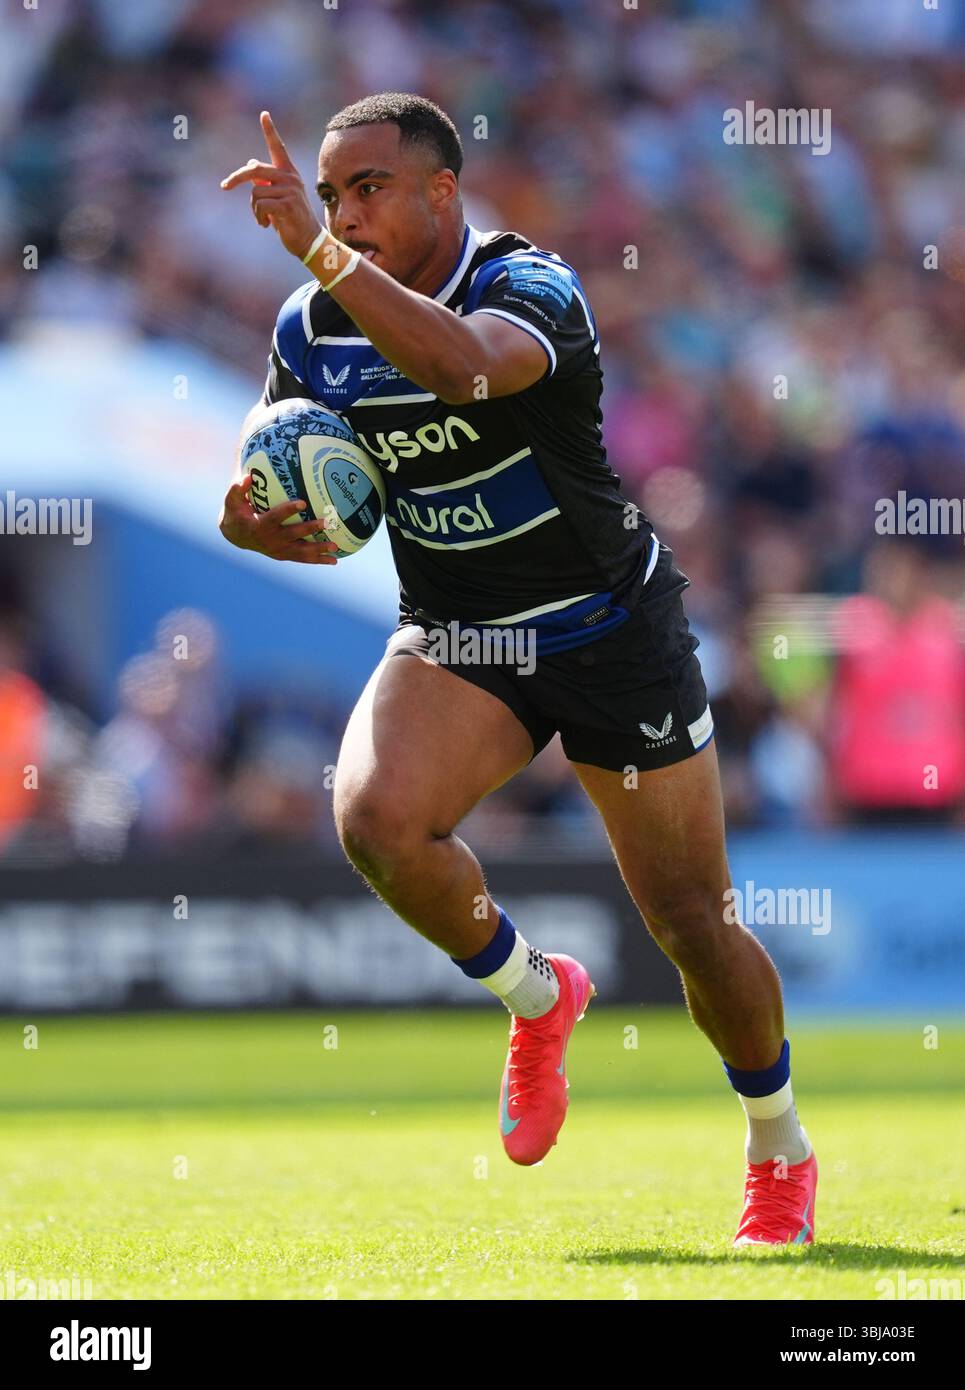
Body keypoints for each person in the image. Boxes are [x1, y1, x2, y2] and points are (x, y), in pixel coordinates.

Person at [219, 92, 816, 1244]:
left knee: (691, 922)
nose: (345, 209)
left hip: (605, 628)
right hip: (456, 633)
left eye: (368, 188)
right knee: (375, 820)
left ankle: (776, 1143)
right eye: (334, 192)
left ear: (442, 193)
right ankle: (536, 995)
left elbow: (459, 371)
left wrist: (317, 245)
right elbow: (264, 474)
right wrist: (259, 522)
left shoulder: (527, 287)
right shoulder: (309, 325)